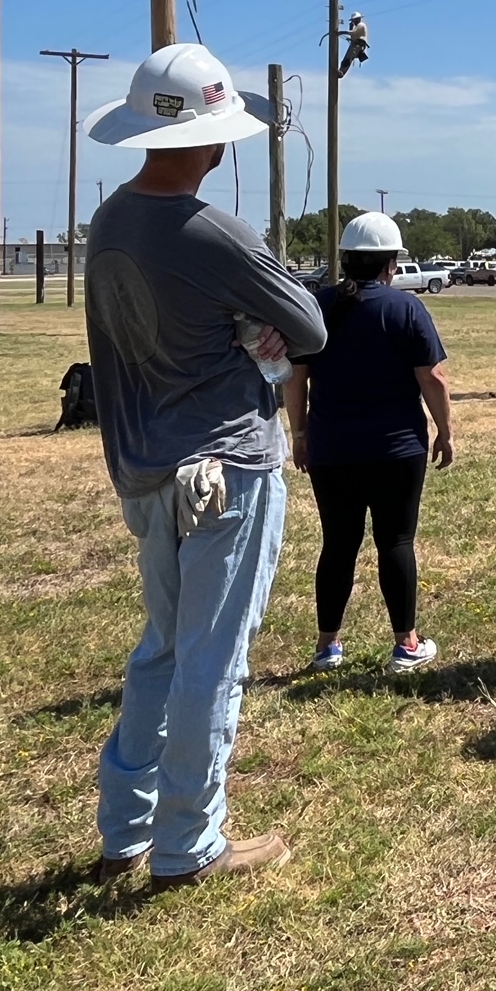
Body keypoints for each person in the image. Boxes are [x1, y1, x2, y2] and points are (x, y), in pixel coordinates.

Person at [82, 43, 326, 891]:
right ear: (215, 142)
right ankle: (192, 843)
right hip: (226, 463)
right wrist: (242, 326)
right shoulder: (215, 229)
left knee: (162, 647)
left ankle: (129, 828)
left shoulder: (111, 221)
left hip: (146, 466)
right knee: (212, 658)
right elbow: (308, 327)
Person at [284, 210, 454, 676]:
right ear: (390, 264)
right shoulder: (405, 308)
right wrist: (445, 430)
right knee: (395, 541)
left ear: (345, 259)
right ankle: (406, 644)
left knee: (337, 544)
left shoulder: (317, 306)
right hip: (396, 449)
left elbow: (294, 380)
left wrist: (299, 434)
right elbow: (432, 378)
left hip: (332, 447)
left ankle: (327, 647)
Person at [338, 12, 369, 79]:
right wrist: (350, 27)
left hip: (358, 45)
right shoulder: (357, 27)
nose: (353, 22)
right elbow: (353, 37)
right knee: (346, 59)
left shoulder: (361, 25)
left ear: (358, 19)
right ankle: (341, 71)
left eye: (353, 20)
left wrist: (342, 32)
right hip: (356, 44)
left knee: (348, 59)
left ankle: (341, 72)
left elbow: (353, 33)